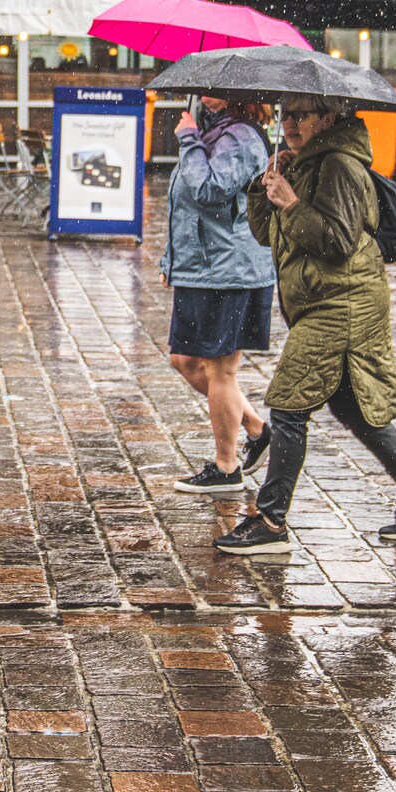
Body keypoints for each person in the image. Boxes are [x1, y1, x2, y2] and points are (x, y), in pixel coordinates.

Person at [218, 96, 396, 556]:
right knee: (351, 407)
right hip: (323, 299)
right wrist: (267, 185)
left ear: (329, 117)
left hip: (343, 303)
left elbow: (338, 241)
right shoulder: (307, 163)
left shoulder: (341, 165)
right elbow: (267, 235)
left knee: (287, 405)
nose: (289, 124)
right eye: (286, 115)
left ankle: (269, 520)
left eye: (301, 115)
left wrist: (291, 204)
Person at [163, 96, 277, 494]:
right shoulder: (216, 131)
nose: (205, 91)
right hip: (204, 268)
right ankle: (257, 428)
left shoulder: (240, 138)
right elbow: (183, 204)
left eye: (215, 87)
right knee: (183, 359)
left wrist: (189, 140)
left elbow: (208, 190)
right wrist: (172, 261)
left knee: (220, 370)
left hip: (230, 270)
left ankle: (227, 467)